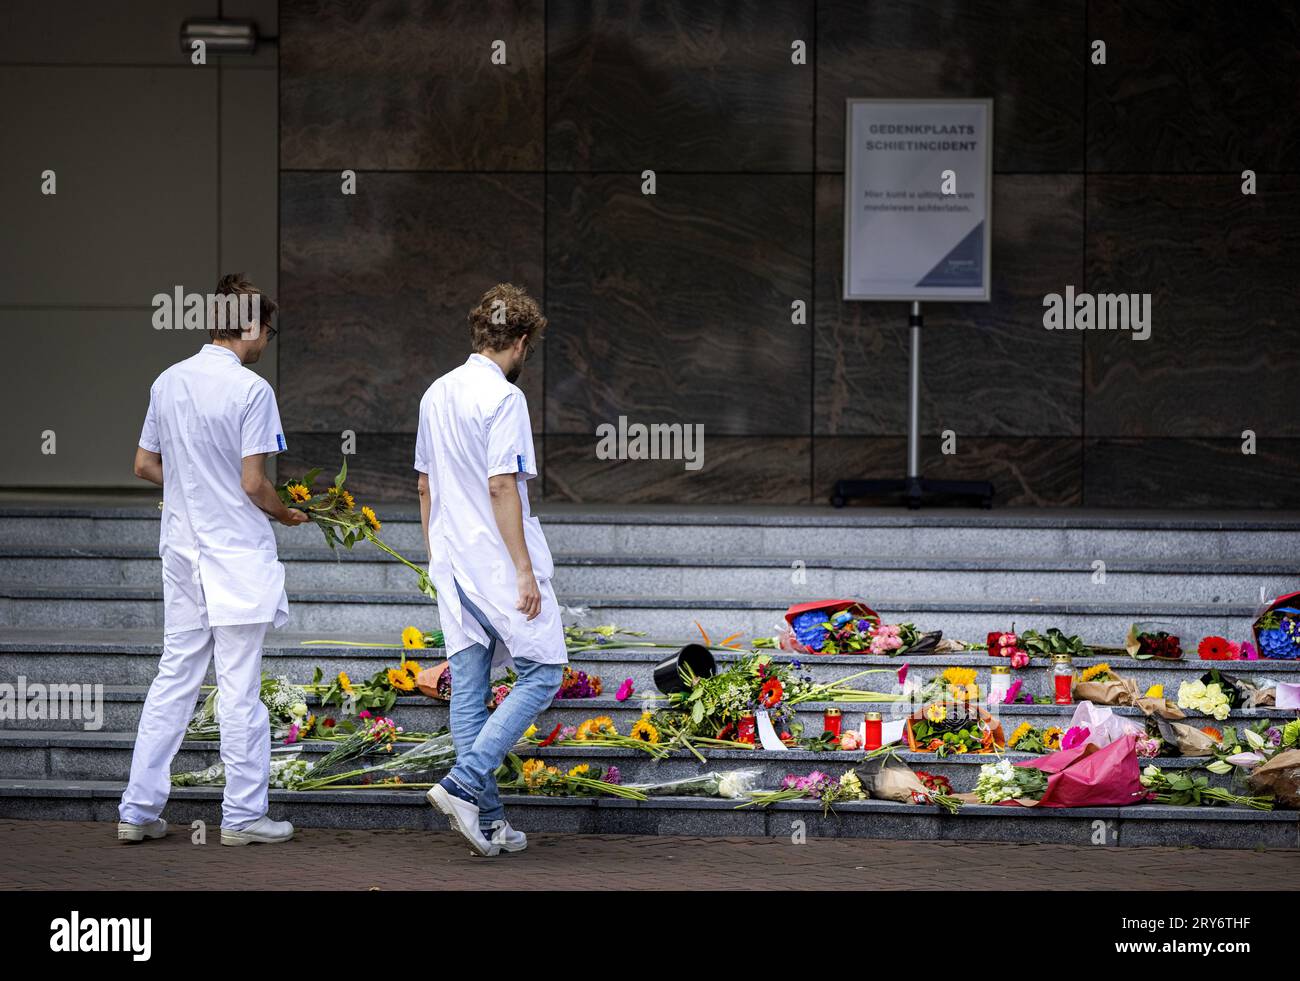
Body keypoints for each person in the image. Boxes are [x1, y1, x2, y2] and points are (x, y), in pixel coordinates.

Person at [117, 273, 309, 846]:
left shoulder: (168, 381)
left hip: (182, 550)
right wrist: (287, 513)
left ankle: (138, 810)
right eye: (267, 331)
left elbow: (143, 465)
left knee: (174, 677)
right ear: (249, 326)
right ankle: (244, 817)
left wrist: (195, 482)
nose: (266, 342)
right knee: (239, 686)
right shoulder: (251, 391)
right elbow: (254, 483)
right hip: (236, 554)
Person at [415, 283, 567, 857]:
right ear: (522, 341)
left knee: (470, 688)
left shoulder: (435, 393)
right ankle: (463, 782)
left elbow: (425, 485)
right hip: (497, 560)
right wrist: (523, 571)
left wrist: (436, 556)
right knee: (544, 672)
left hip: (452, 559)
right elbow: (502, 484)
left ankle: (493, 822)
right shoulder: (505, 398)